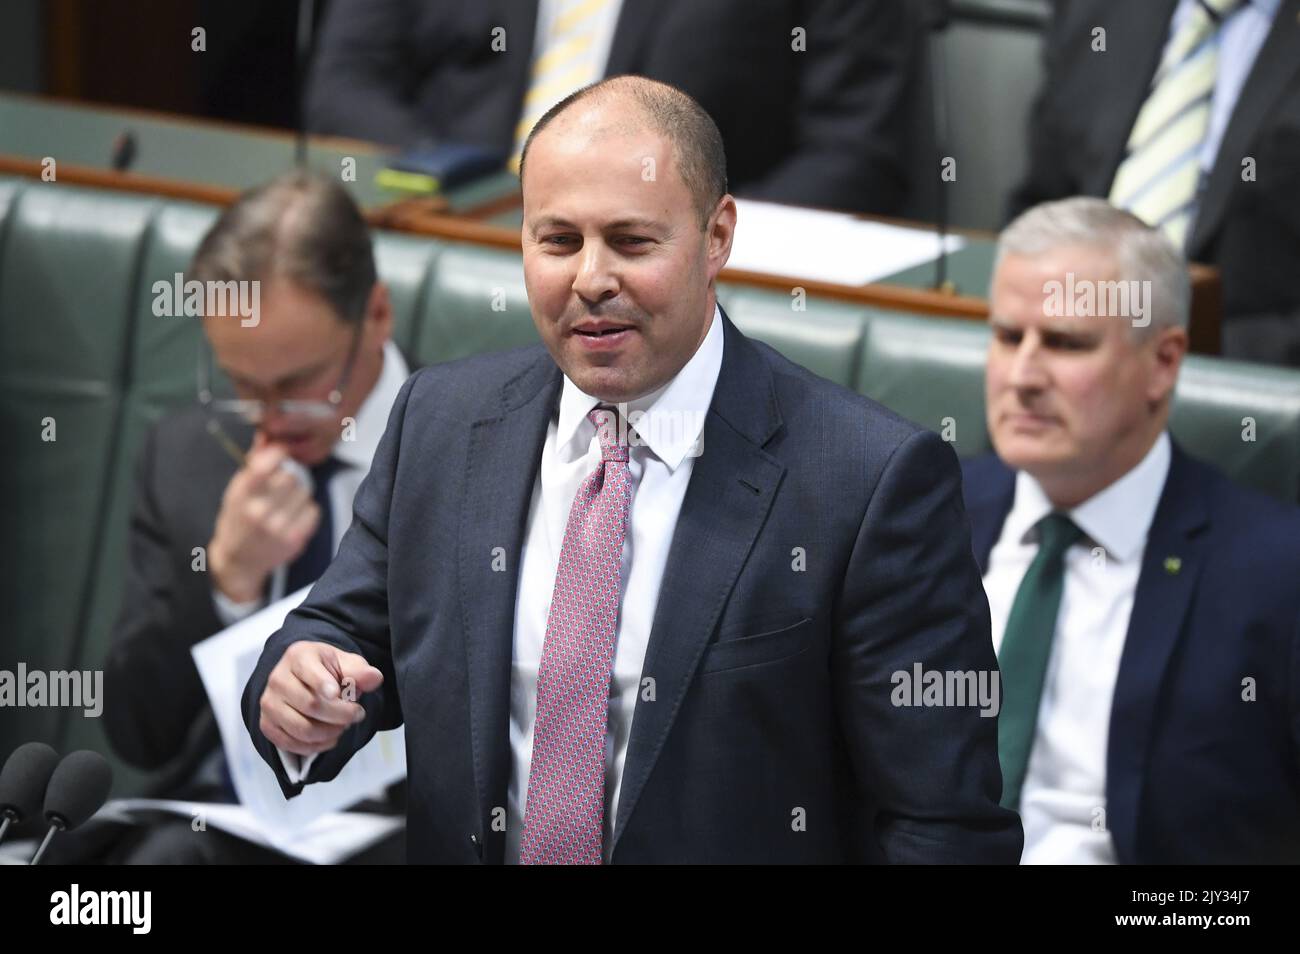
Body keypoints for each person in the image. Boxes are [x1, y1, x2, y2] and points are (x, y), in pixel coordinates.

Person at [242, 76, 1022, 864]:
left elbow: (943, 827)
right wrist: (299, 685)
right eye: (557, 240)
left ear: (717, 237)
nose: (590, 279)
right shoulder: (440, 425)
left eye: (631, 241)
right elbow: (337, 632)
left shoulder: (868, 480)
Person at [965, 196, 1300, 863]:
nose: (1023, 376)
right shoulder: (921, 511)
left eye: (1065, 343)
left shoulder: (1274, 573)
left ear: (1164, 361)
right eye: (1008, 336)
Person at [96, 172, 410, 863]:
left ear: (377, 314)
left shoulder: (468, 446)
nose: (269, 416)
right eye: (243, 384)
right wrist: (225, 581)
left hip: (401, 833)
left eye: (299, 383)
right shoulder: (184, 455)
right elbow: (137, 733)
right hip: (214, 831)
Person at [305, 0, 916, 214]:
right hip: (447, 227)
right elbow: (345, 84)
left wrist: (690, 244)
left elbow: (855, 157)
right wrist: (454, 193)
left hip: (677, 273)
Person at [1010, 0, 1300, 366]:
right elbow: (1040, 208)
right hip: (1059, 352)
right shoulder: (1098, 11)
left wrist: (1156, 358)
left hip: (1235, 376)